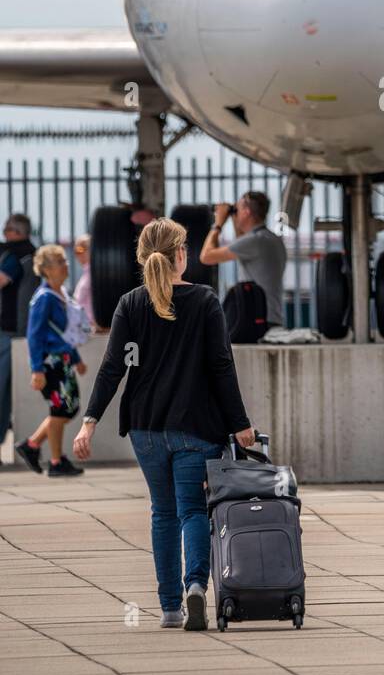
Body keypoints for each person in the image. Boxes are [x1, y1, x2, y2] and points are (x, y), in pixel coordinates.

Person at [72, 217, 255, 630]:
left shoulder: (130, 304)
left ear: (142, 257)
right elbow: (222, 367)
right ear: (180, 255)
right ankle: (195, 587)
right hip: (195, 428)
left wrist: (89, 421)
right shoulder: (205, 301)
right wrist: (240, 424)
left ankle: (170, 608)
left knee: (163, 513)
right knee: (193, 511)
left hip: (145, 430)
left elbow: (112, 369)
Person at [15, 244, 87, 477]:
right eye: (60, 262)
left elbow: (63, 333)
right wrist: (37, 369)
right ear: (46, 269)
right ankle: (53, 460)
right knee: (61, 409)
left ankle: (35, 447)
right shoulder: (44, 298)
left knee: (66, 408)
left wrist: (75, 358)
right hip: (50, 363)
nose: (66, 265)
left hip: (62, 360)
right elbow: (34, 335)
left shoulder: (61, 295)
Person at [199, 190, 286, 328]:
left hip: (257, 319)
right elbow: (241, 243)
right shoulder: (271, 238)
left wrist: (218, 224)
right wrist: (234, 219)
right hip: (271, 317)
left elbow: (206, 257)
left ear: (246, 212)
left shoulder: (254, 241)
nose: (235, 213)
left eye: (237, 210)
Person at [0, 213, 36, 461]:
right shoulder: (32, 253)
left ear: (15, 231)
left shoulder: (15, 254)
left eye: (6, 229)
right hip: (22, 330)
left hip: (7, 330)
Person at [72, 234, 97, 328]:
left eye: (80, 249)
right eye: (76, 250)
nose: (76, 254)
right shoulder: (88, 272)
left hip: (93, 328)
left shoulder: (95, 274)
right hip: (85, 328)